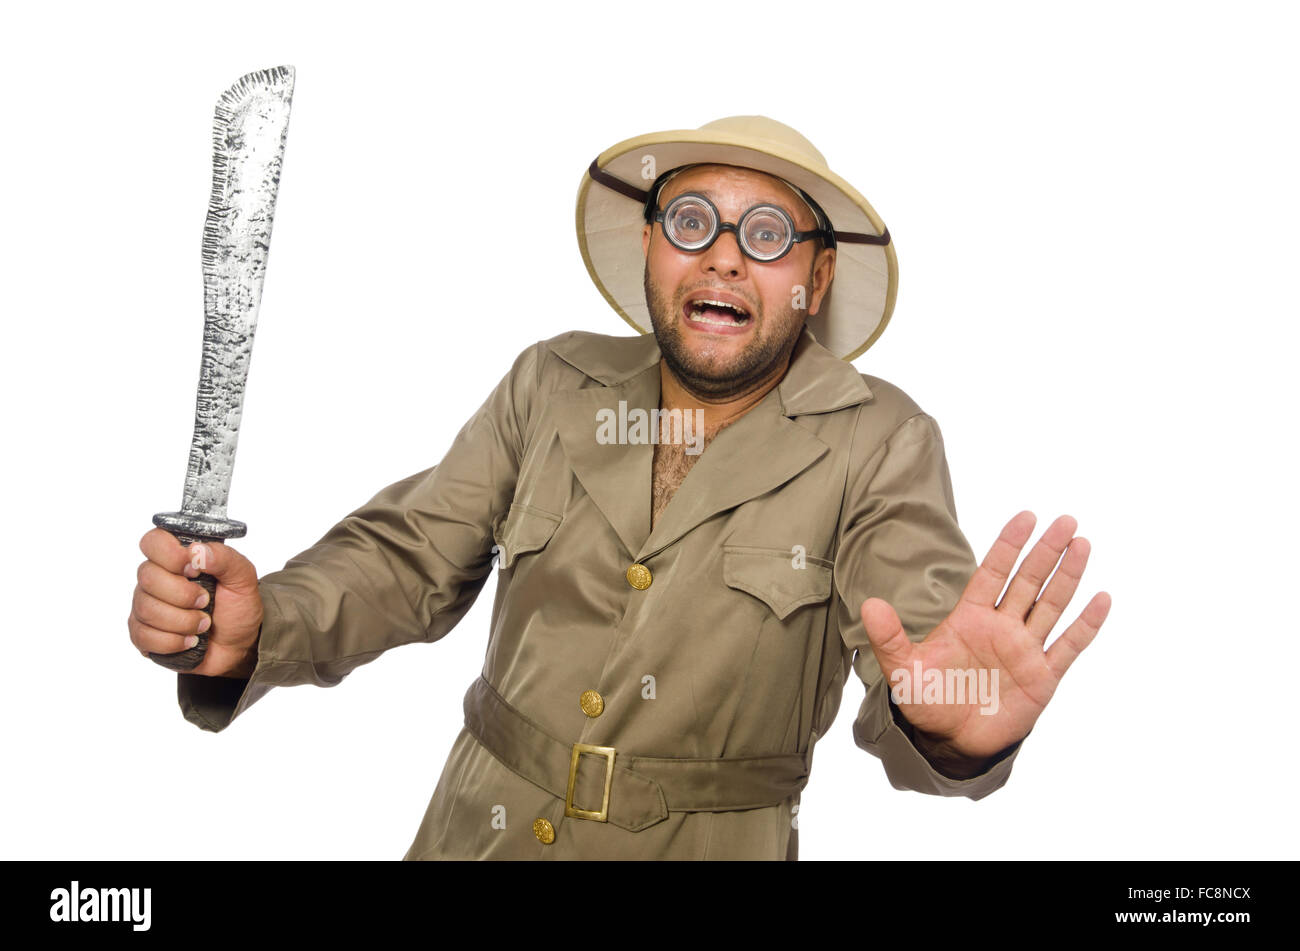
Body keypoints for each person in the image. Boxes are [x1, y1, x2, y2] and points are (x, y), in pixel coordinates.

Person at [129, 116, 1111, 860]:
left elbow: (927, 646)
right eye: (691, 220)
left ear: (814, 277)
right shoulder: (551, 382)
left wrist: (949, 721)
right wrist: (262, 628)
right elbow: (407, 561)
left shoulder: (880, 440)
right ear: (649, 247)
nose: (725, 253)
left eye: (768, 235)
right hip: (479, 832)